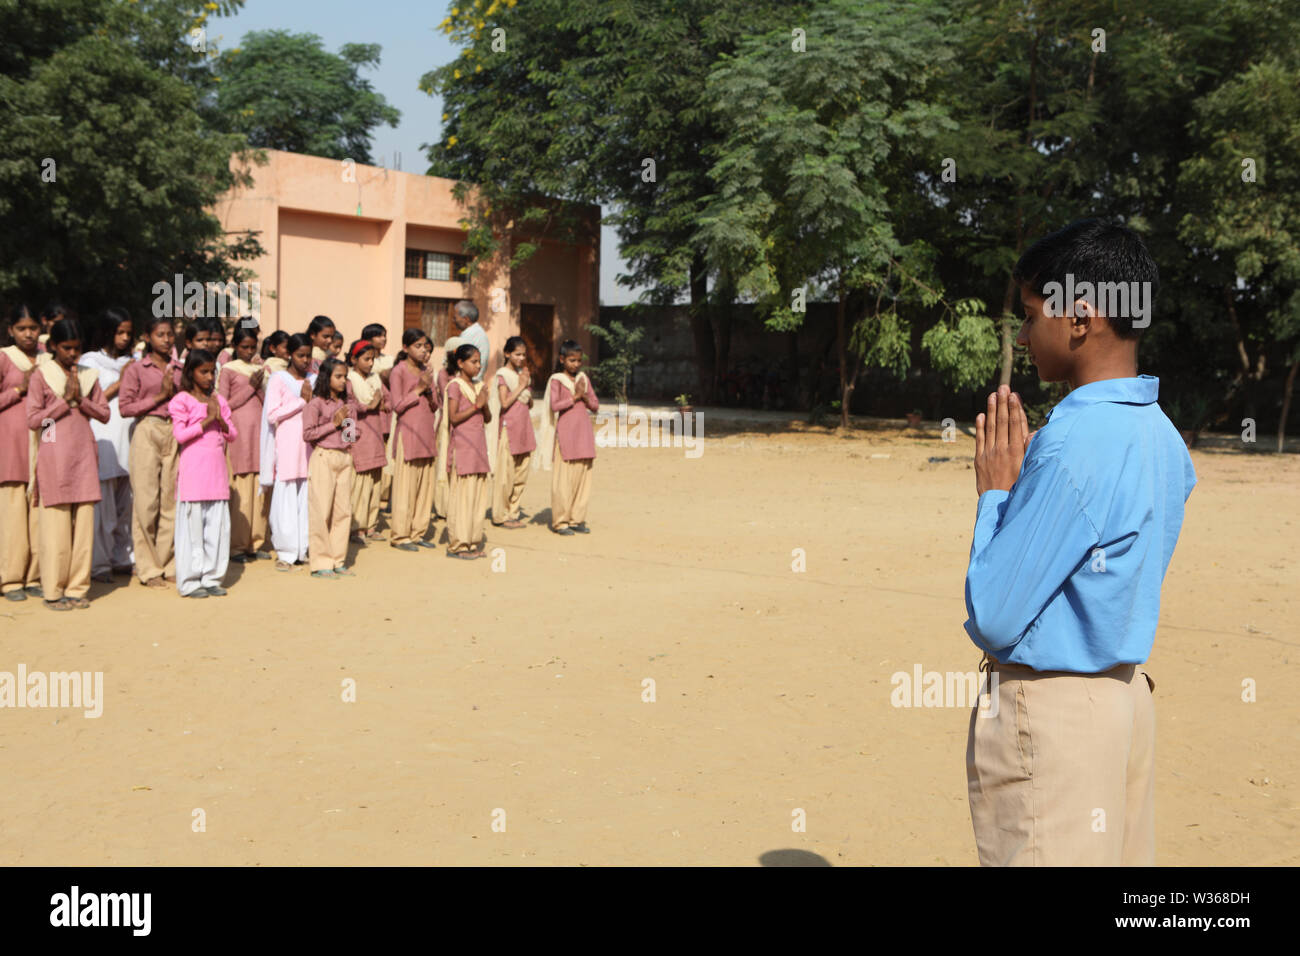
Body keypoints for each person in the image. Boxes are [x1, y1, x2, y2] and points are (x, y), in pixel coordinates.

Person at [963, 219, 1197, 867]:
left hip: (1055, 716)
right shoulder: (1163, 438)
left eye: (1032, 313)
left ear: (1080, 316)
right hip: (1122, 702)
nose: (1023, 333)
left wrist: (996, 495)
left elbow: (997, 615)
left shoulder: (1072, 442)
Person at [25, 318, 110, 610]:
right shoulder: (42, 376)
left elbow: (104, 414)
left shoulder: (89, 376)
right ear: (53, 347)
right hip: (53, 450)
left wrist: (81, 401)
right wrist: (64, 403)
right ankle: (53, 590)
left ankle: (77, 588)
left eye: (77, 348)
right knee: (56, 530)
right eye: (66, 348)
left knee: (84, 527)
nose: (73, 354)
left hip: (84, 453)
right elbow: (36, 420)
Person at [119, 314, 183, 588]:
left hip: (174, 431)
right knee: (146, 502)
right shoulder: (136, 368)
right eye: (160, 335)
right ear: (147, 337)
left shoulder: (179, 368)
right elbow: (125, 407)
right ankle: (147, 568)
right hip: (147, 428)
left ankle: (167, 562)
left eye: (170, 335)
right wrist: (159, 396)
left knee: (171, 500)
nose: (167, 340)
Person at [170, 349, 236, 598]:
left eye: (212, 372)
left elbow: (233, 435)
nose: (209, 377)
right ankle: (189, 580)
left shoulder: (218, 400)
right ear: (191, 372)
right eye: (204, 372)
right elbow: (180, 435)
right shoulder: (182, 400)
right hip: (194, 474)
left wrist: (221, 421)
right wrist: (207, 421)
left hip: (216, 473)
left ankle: (211, 577)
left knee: (215, 528)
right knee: (193, 530)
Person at [79, 308, 136, 582]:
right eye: (119, 332)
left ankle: (122, 558)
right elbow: (88, 399)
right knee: (103, 509)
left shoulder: (134, 361)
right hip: (103, 437)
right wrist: (122, 381)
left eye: (128, 332)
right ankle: (99, 564)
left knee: (127, 506)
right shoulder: (90, 361)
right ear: (107, 332)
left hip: (130, 438)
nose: (124, 338)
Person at [0, 305, 48, 601]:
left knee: (38, 515)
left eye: (33, 328)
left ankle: (35, 575)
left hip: (43, 444)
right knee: (12, 516)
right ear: (11, 330)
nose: (28, 334)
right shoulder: (5, 358)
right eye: (22, 328)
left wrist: (53, 442)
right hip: (12, 446)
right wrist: (19, 389)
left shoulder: (48, 359)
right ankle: (11, 579)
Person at [261, 333, 314, 570]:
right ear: (289, 355)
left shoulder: (315, 378)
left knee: (305, 498)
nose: (305, 360)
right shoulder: (279, 379)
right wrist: (301, 402)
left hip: (309, 447)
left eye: (309, 355)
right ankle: (285, 552)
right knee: (286, 498)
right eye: (300, 355)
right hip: (287, 445)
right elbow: (272, 414)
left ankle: (302, 549)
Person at [219, 326, 271, 563]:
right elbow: (224, 405)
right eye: (244, 347)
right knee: (242, 490)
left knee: (260, 489)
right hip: (239, 434)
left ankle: (256, 541)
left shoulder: (261, 369)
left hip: (259, 433)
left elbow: (268, 403)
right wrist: (251, 386)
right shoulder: (228, 370)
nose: (249, 352)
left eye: (253, 347)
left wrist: (260, 386)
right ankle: (237, 546)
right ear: (235, 347)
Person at [303, 358, 357, 578]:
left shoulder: (347, 405)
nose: (343, 381)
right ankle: (320, 561)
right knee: (321, 510)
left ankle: (338, 559)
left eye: (345, 376)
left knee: (343, 512)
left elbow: (351, 435)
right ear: (327, 378)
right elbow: (307, 434)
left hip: (344, 457)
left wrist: (348, 426)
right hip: (324, 456)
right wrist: (333, 424)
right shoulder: (315, 404)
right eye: (338, 376)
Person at [387, 329, 438, 551]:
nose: (423, 350)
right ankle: (401, 535)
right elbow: (397, 405)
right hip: (408, 434)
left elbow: (436, 405)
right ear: (406, 348)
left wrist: (429, 389)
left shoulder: (427, 371)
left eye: (425, 346)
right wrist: (418, 389)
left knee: (425, 487)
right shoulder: (398, 371)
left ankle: (418, 532)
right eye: (418, 346)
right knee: (405, 488)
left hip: (427, 433)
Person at [542, 340, 598, 535]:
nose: (576, 364)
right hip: (566, 435)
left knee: (583, 479)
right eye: (572, 360)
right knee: (563, 481)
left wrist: (584, 396)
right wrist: (575, 397)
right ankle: (561, 521)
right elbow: (555, 405)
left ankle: (577, 519)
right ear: (562, 359)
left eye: (579, 360)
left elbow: (595, 405)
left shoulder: (583, 378)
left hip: (583, 434)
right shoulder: (557, 380)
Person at [442, 344, 491, 558]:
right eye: (473, 362)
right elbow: (453, 417)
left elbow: (487, 418)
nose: (478, 366)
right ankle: (458, 545)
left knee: (477, 499)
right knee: (462, 498)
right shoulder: (455, 386)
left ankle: (472, 541)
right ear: (460, 363)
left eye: (479, 362)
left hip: (478, 448)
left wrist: (484, 404)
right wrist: (477, 405)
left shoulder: (479, 386)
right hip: (462, 449)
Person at [489, 336, 536, 529]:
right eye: (517, 354)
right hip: (509, 428)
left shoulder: (522, 375)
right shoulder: (503, 375)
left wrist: (525, 387)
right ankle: (500, 514)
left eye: (523, 355)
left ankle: (513, 512)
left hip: (524, 427)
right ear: (507, 354)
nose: (521, 358)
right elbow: (505, 402)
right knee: (505, 475)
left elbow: (529, 402)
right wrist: (521, 386)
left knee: (520, 475)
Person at [345, 340, 388, 542]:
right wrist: (348, 441)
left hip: (375, 433)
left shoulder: (375, 379)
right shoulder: (349, 379)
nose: (370, 363)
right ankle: (356, 527)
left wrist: (380, 402)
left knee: (374, 483)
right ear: (354, 359)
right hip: (359, 436)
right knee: (359, 485)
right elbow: (348, 408)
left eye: (373, 359)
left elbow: (387, 402)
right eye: (366, 359)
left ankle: (371, 525)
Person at [432, 335, 462, 519]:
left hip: (462, 426)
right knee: (444, 463)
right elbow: (447, 398)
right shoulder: (444, 374)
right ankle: (442, 507)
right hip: (446, 424)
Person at [452, 300, 489, 383]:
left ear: (466, 319)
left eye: (455, 318)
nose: (453, 321)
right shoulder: (475, 332)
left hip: (469, 382)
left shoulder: (471, 334)